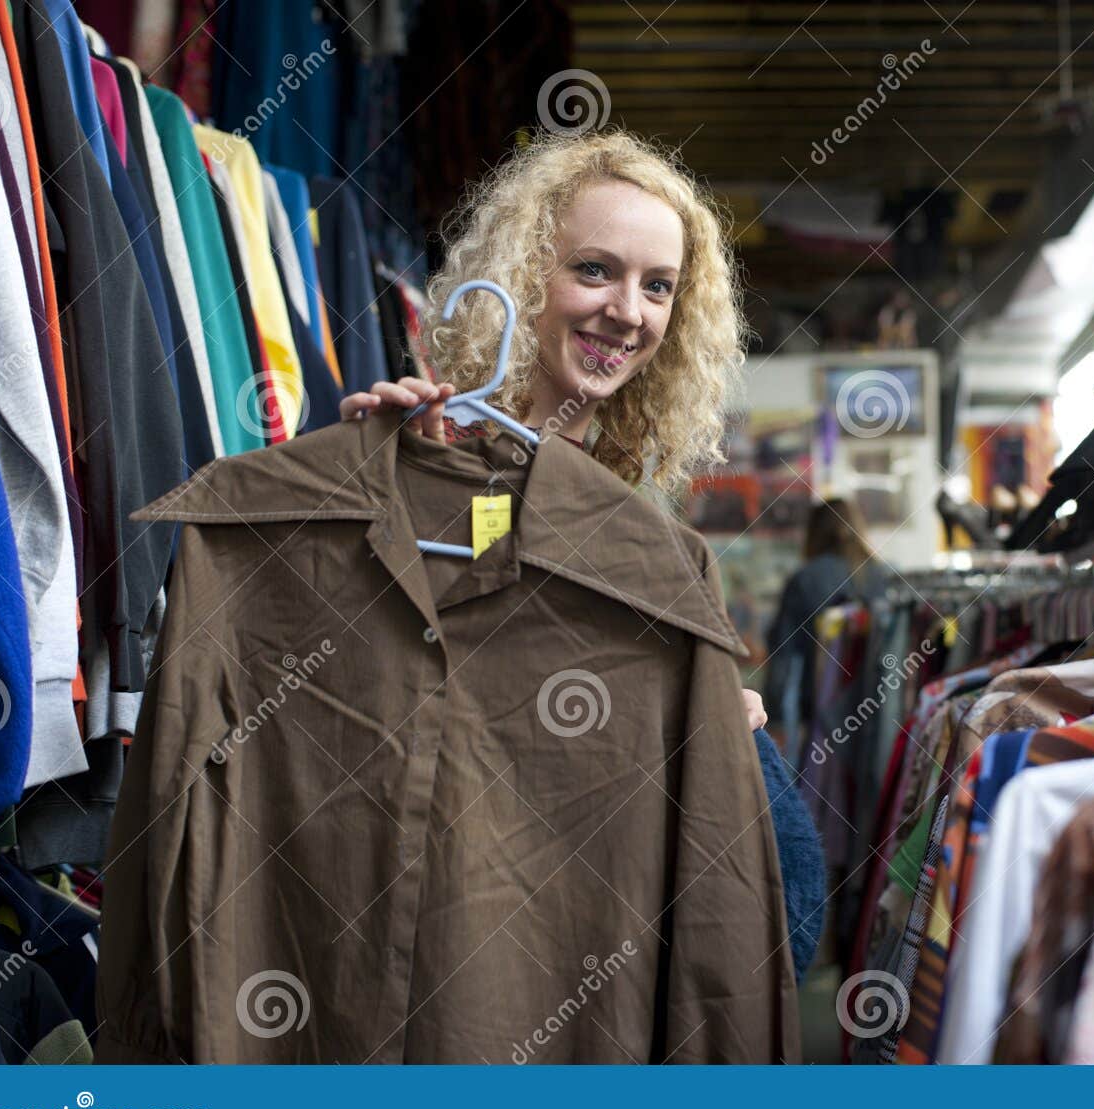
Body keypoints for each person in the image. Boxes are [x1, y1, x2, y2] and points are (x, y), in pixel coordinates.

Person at [341, 129, 823, 978]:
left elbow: (786, 920)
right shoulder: (434, 453)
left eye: (659, 286)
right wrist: (384, 486)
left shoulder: (632, 510)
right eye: (595, 270)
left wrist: (708, 714)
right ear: (526, 275)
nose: (629, 311)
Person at [763, 498, 882, 759]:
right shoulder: (880, 575)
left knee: (820, 787)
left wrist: (775, 719)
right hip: (877, 705)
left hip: (821, 704)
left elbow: (781, 654)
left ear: (814, 532)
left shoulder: (805, 579)